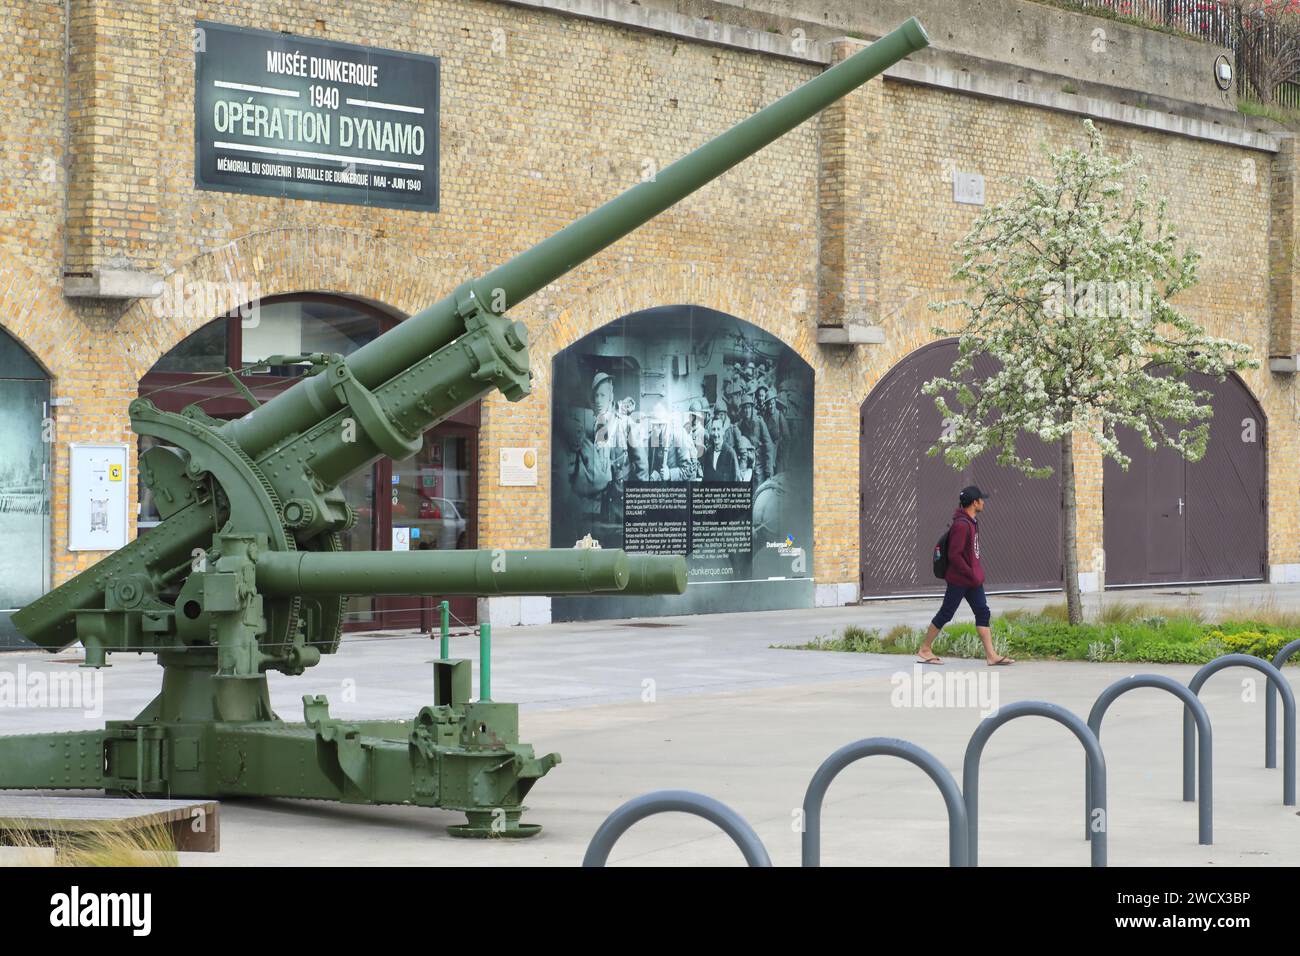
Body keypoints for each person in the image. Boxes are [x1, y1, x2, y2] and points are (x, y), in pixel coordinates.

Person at [917, 485, 1015, 666]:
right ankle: (925, 649)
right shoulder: (961, 525)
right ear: (974, 503)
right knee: (946, 613)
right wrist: (970, 573)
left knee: (982, 612)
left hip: (972, 580)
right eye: (981, 500)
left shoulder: (971, 521)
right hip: (960, 579)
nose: (983, 502)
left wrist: (975, 574)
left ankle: (991, 655)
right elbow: (955, 555)